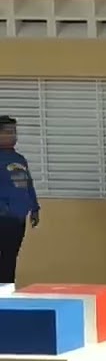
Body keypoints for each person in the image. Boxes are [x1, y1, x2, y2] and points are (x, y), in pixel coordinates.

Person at [0, 115, 39, 285]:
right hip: (3, 216)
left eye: (14, 132)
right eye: (8, 132)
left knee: (11, 256)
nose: (13, 136)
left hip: (18, 217)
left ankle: (8, 290)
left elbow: (28, 185)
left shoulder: (19, 159)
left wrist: (35, 208)